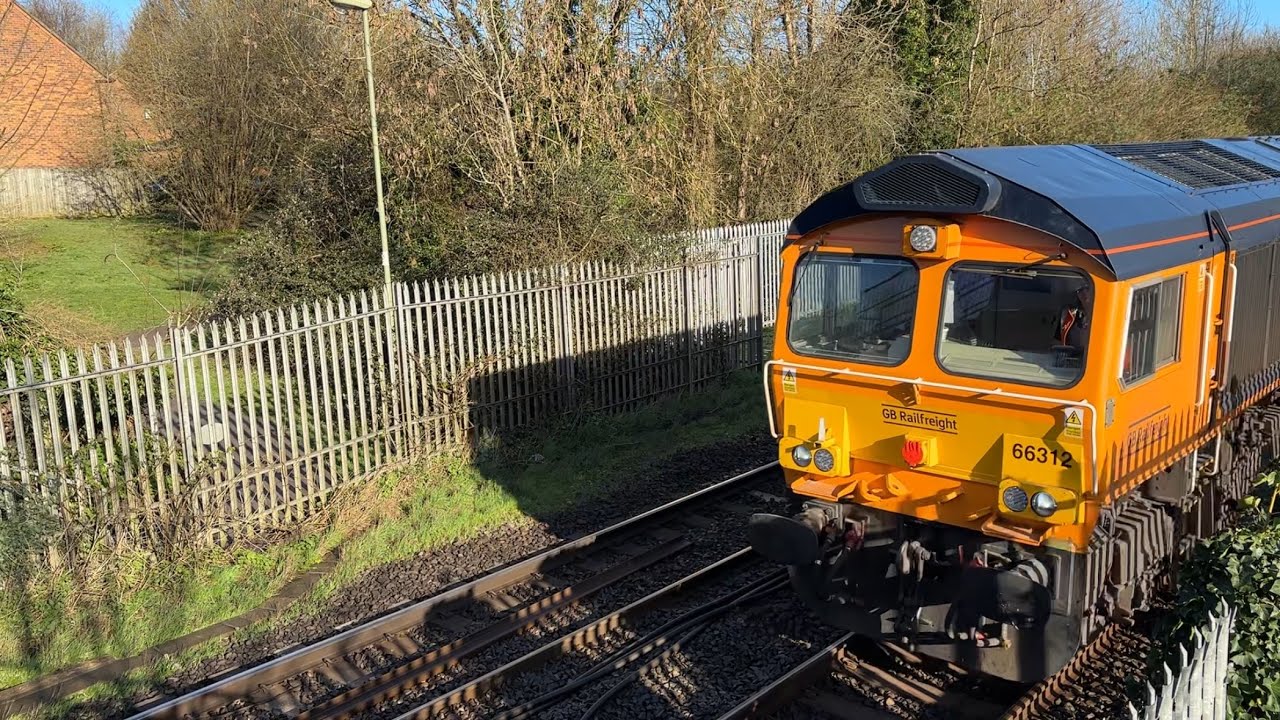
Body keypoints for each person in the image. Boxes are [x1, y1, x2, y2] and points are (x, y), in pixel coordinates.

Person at [1056, 284, 1091, 351]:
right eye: (1080, 290)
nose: (1084, 293)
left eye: (1088, 288)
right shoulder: (1067, 314)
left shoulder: (1108, 316)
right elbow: (1058, 341)